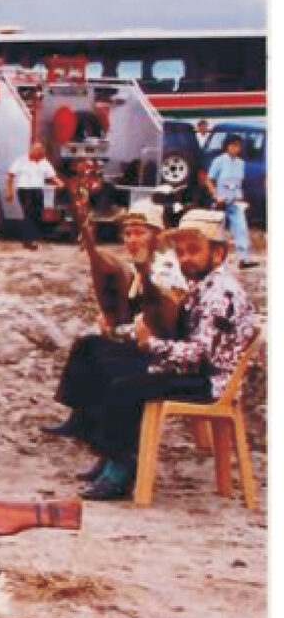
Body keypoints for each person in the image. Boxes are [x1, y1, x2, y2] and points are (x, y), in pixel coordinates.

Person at [78, 211, 258, 501]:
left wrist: (150, 345)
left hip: (209, 381)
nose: (186, 259)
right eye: (182, 252)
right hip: (191, 369)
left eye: (194, 251)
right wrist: (122, 334)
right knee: (108, 360)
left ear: (219, 254)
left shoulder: (221, 294)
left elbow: (199, 355)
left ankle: (122, 468)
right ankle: (110, 452)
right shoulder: (199, 286)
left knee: (126, 385)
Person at [44, 202, 184, 445]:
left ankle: (108, 440)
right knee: (87, 345)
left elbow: (160, 326)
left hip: (164, 352)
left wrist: (115, 332)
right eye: (128, 234)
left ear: (157, 235)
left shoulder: (165, 271)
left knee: (107, 359)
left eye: (140, 233)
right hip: (146, 342)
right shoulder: (142, 268)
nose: (131, 239)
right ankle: (81, 418)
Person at [201, 134, 255, 268]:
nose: (236, 148)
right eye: (233, 145)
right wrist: (216, 195)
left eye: (238, 146)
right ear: (227, 146)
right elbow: (209, 180)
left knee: (241, 228)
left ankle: (243, 259)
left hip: (234, 200)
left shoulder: (240, 163)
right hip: (220, 200)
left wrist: (240, 196)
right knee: (216, 230)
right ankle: (211, 258)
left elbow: (239, 182)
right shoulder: (219, 161)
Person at [5, 140, 60, 249]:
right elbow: (10, 176)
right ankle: (29, 240)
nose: (38, 151)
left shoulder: (44, 162)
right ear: (31, 149)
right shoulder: (21, 161)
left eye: (40, 149)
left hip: (38, 190)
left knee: (37, 214)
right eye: (36, 149)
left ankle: (32, 238)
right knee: (29, 213)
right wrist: (9, 191)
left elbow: (52, 176)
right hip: (24, 190)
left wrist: (59, 183)